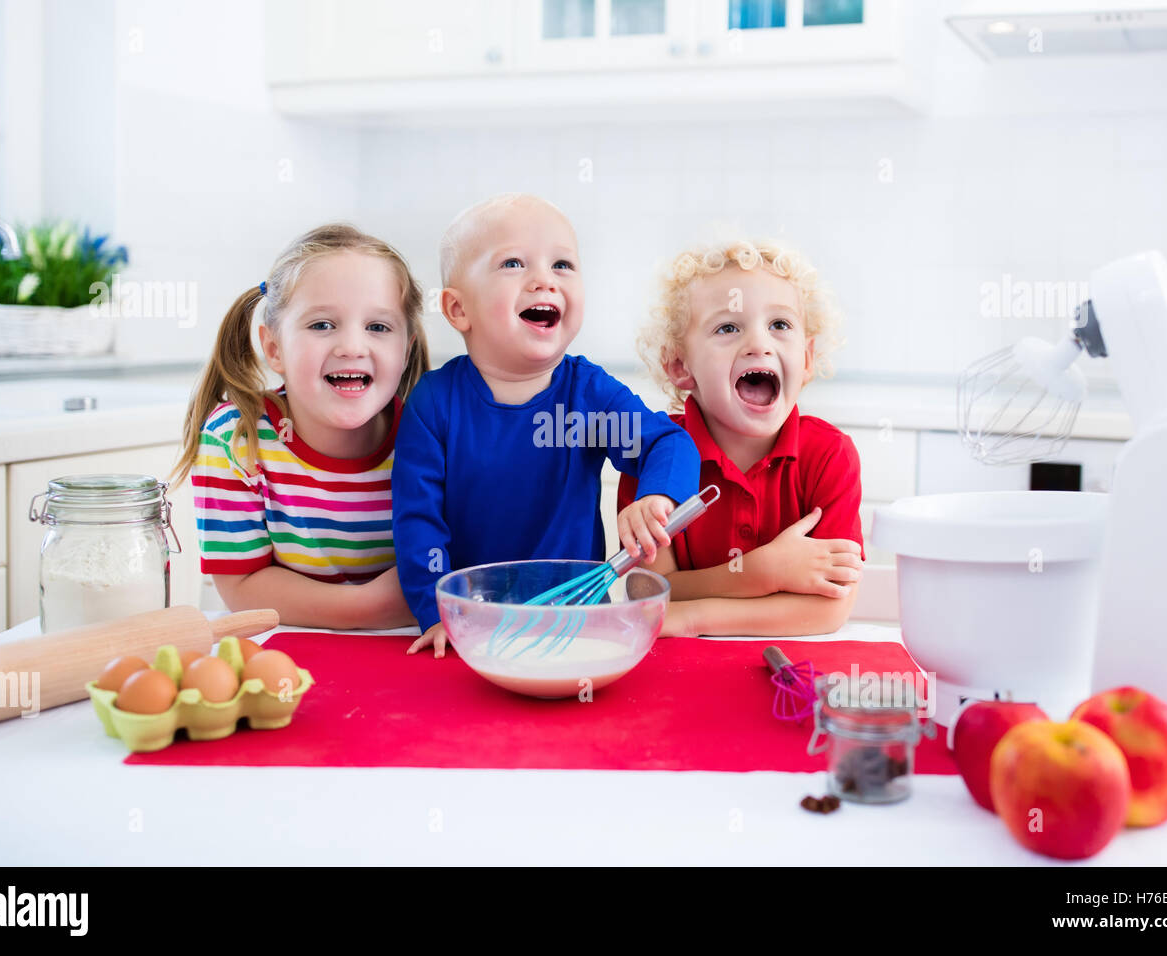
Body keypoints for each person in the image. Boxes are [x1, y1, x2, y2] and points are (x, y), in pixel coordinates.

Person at [392, 193, 701, 657]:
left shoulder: (588, 399)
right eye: (514, 263)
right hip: (476, 626)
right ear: (458, 310)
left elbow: (668, 444)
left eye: (562, 265)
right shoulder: (434, 405)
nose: (544, 280)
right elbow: (419, 527)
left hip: (577, 623)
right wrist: (437, 614)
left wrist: (656, 496)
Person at [169, 223, 428, 629]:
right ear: (274, 348)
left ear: (405, 348)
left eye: (378, 327)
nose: (352, 347)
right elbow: (242, 584)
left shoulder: (435, 436)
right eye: (322, 325)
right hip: (288, 648)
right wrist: (372, 605)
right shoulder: (237, 441)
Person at [619, 238, 865, 637]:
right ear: (681, 366)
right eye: (728, 327)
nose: (759, 345)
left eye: (779, 325)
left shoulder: (829, 455)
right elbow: (649, 593)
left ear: (805, 360)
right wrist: (764, 571)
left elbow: (829, 610)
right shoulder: (652, 455)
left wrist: (693, 616)